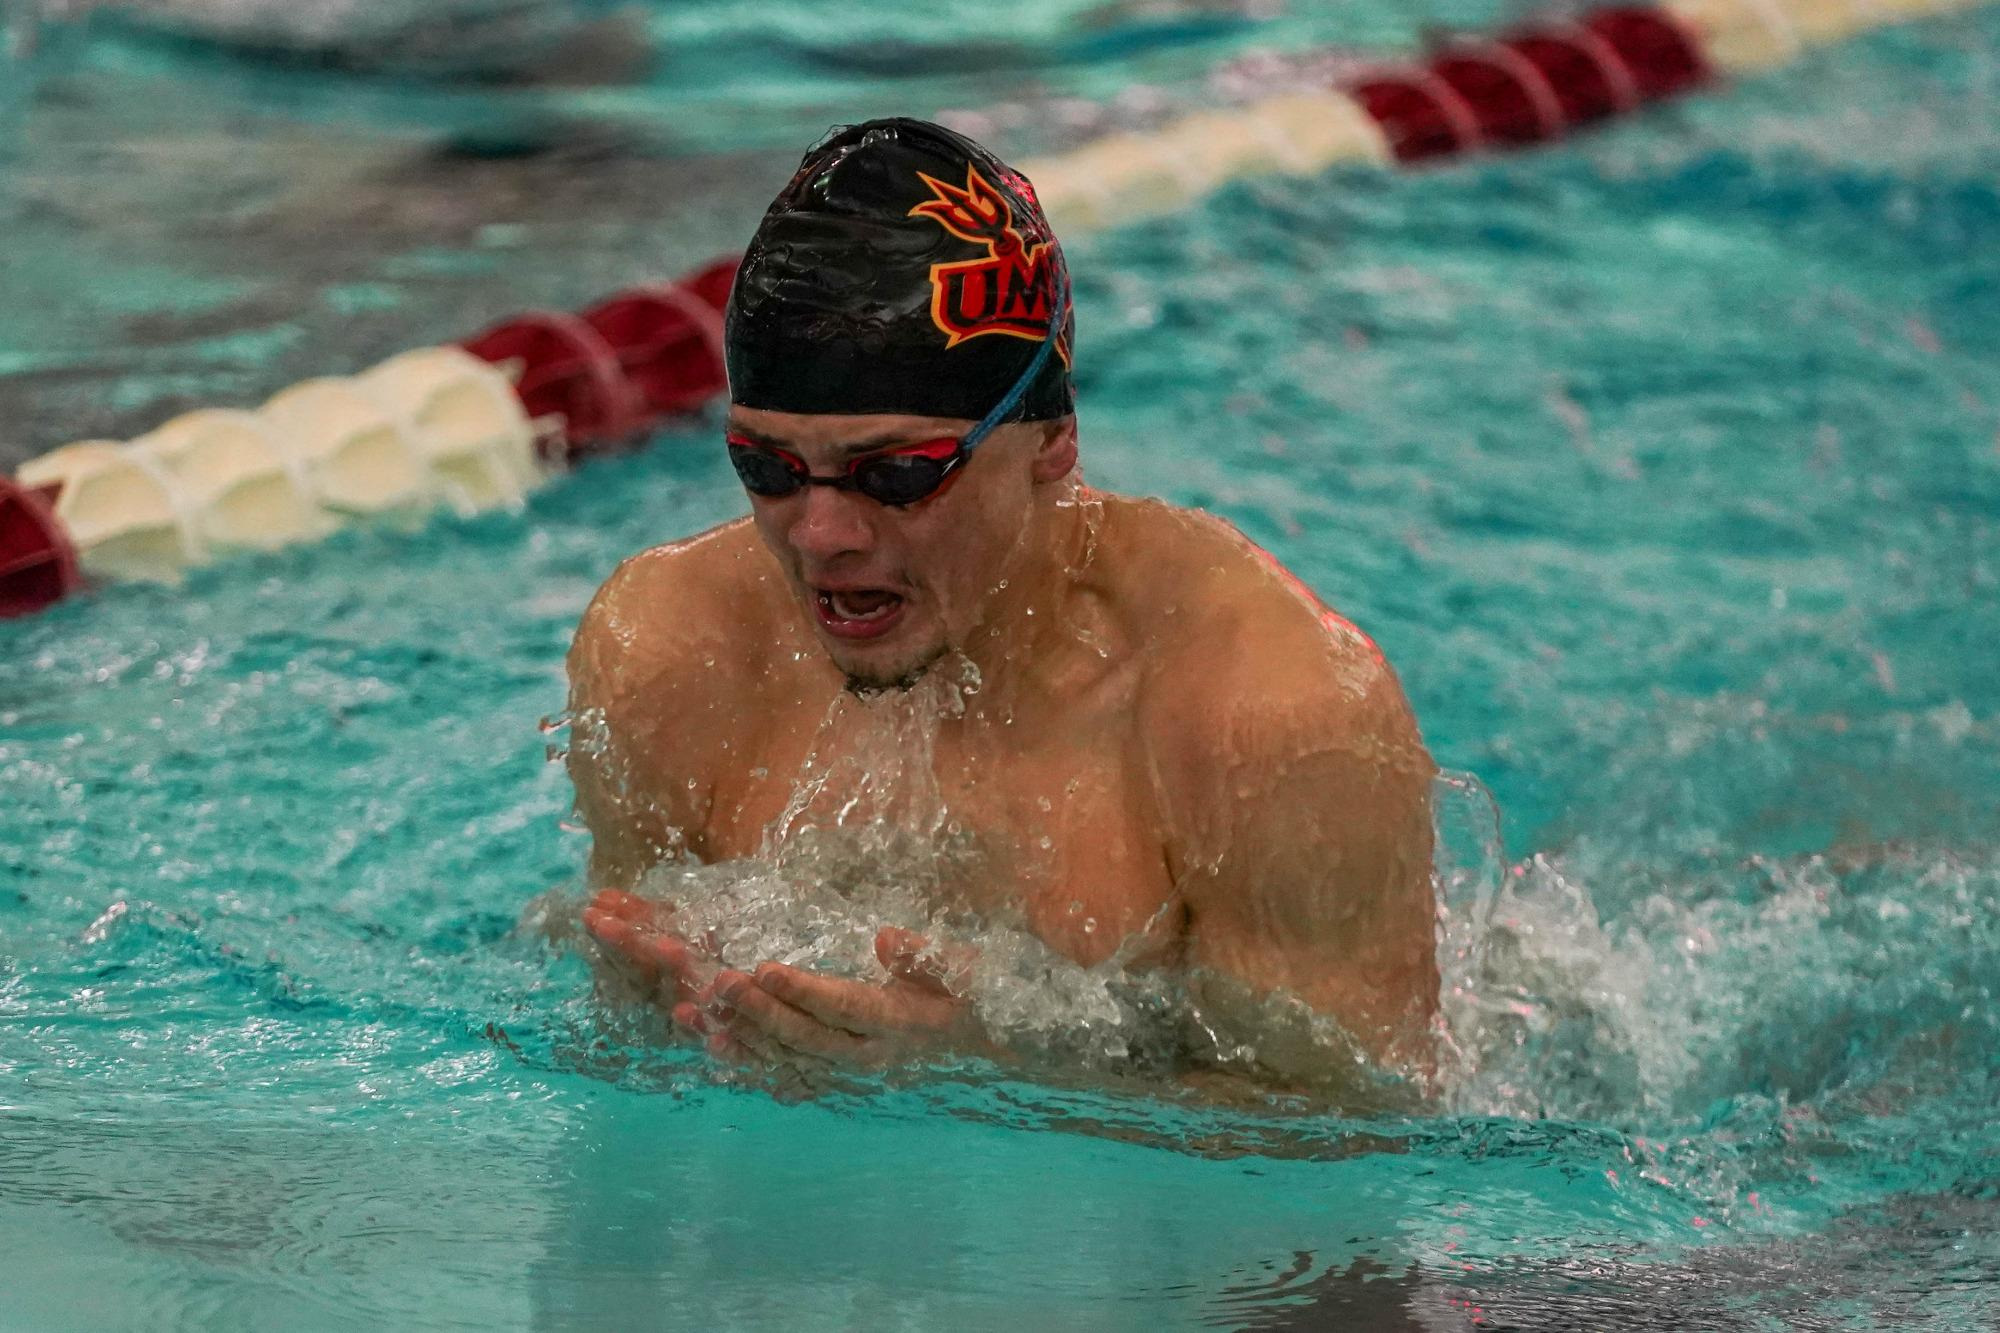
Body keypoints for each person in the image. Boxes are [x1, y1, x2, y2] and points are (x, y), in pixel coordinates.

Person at [569, 117, 1439, 1104]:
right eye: (765, 467)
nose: (818, 535)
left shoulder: (1266, 710)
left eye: (895, 473)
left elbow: (1359, 1133)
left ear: (1051, 442)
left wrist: (1013, 1082)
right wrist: (645, 1003)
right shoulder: (670, 649)